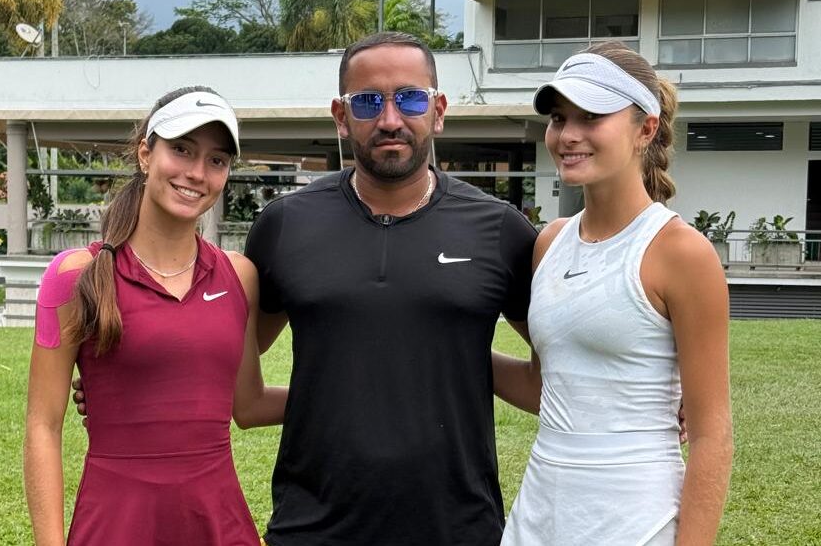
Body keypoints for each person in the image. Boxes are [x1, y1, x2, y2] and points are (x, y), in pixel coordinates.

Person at [242, 32, 539, 545]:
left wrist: (659, 393)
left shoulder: (499, 230)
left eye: (410, 97)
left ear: (439, 110)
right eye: (367, 102)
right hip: (312, 528)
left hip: (456, 528)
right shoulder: (285, 225)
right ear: (340, 116)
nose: (390, 119)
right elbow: (225, 361)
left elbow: (556, 370)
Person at [23, 86, 286, 545]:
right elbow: (43, 426)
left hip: (218, 523)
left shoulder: (238, 275)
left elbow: (247, 405)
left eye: (217, 160)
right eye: (181, 149)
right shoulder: (75, 276)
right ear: (146, 153)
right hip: (116, 523)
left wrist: (344, 396)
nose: (196, 173)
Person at [500, 42, 733, 545]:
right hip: (540, 514)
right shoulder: (550, 242)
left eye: (591, 116)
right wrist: (443, 341)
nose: (569, 135)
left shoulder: (681, 252)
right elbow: (547, 390)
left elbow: (712, 437)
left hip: (635, 518)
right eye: (560, 118)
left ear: (645, 128)